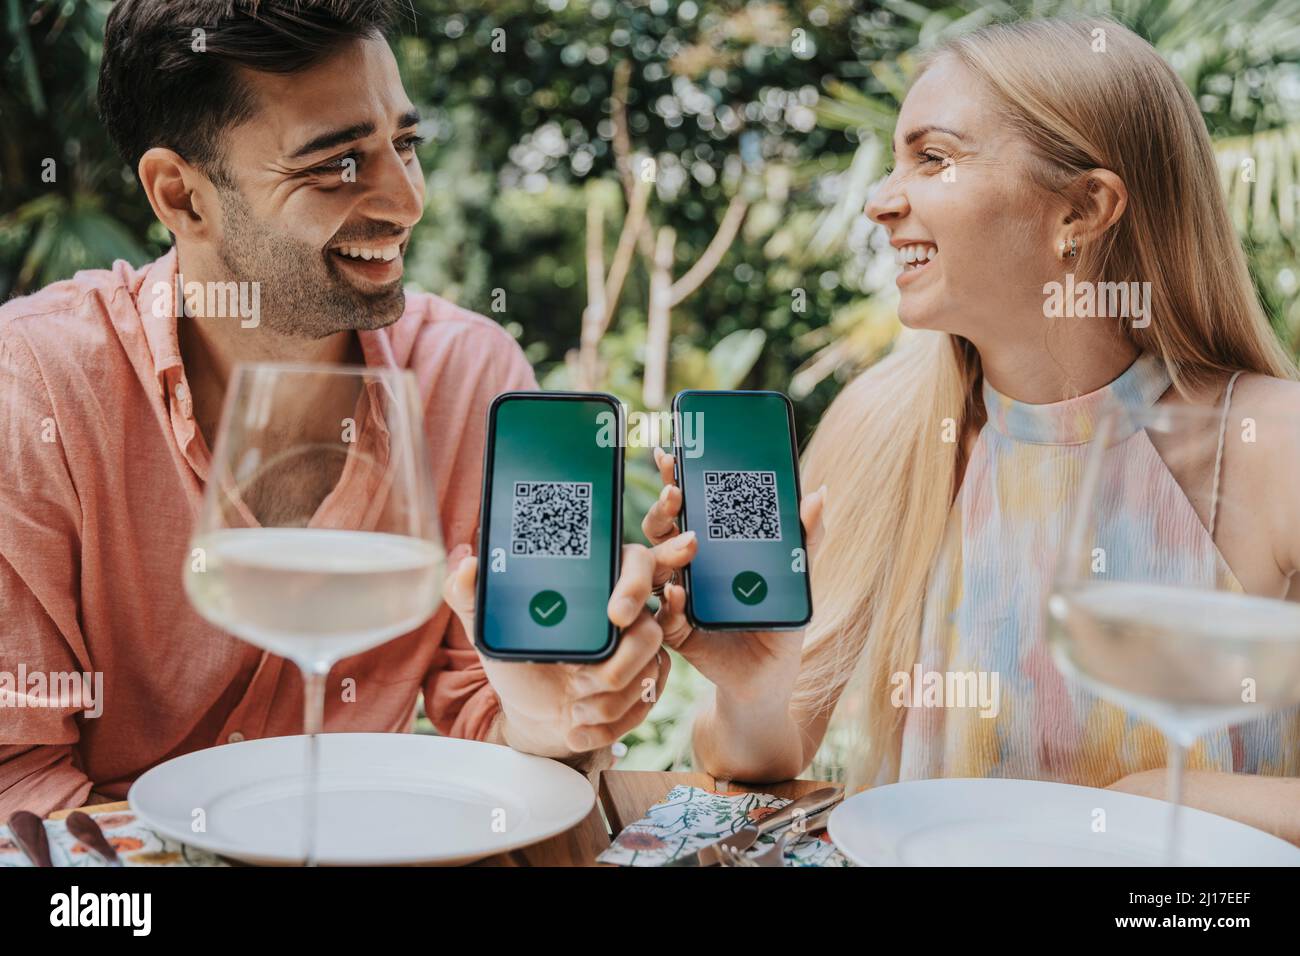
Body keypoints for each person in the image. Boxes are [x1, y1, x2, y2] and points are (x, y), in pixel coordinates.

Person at [0, 0, 688, 818]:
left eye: (405, 145)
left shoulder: (466, 375)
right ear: (181, 197)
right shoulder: (36, 385)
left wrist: (549, 723)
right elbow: (19, 778)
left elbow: (485, 708)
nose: (405, 201)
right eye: (338, 164)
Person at [641, 17, 1300, 842]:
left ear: (1084, 209)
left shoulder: (1274, 445)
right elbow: (755, 761)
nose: (882, 200)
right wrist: (753, 689)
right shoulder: (886, 425)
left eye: (934, 159)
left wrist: (1149, 803)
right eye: (896, 160)